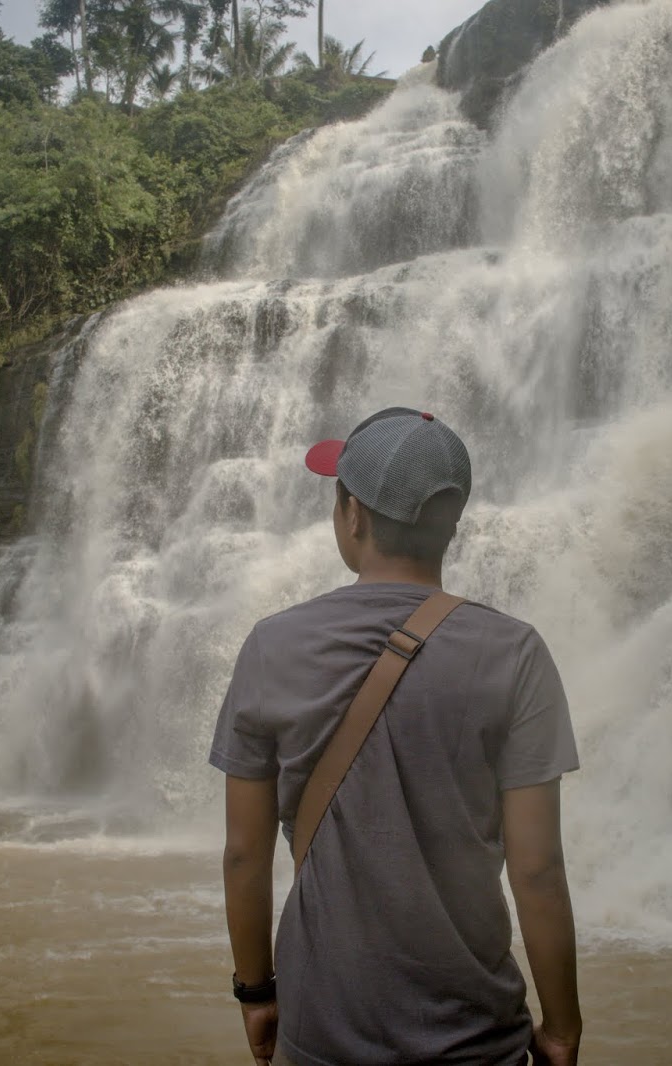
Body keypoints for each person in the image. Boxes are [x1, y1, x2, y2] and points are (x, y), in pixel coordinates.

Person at [209, 407, 583, 1066]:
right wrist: (560, 1025)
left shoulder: (273, 646)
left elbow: (244, 854)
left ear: (351, 514)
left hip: (320, 1025)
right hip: (477, 1038)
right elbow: (537, 871)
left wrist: (256, 993)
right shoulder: (516, 652)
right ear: (452, 524)